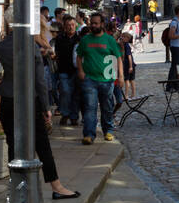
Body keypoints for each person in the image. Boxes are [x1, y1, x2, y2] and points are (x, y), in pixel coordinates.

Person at [0, 18, 79, 199]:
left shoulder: (1, 47)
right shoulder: (30, 47)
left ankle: (17, 187)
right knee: (42, 144)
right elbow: (39, 81)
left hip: (8, 99)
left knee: (13, 144)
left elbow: (2, 54)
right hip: (28, 100)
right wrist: (46, 107)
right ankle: (56, 186)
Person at [77, 11, 122, 145]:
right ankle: (89, 134)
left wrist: (120, 75)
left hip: (107, 79)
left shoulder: (109, 40)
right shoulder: (85, 40)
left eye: (96, 23)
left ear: (102, 24)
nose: (94, 26)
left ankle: (108, 130)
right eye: (92, 23)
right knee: (90, 107)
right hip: (89, 79)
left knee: (107, 107)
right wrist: (80, 70)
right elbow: (79, 56)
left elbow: (118, 57)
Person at [52, 15, 81, 126]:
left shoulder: (79, 39)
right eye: (68, 25)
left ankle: (74, 117)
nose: (70, 27)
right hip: (63, 69)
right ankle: (65, 114)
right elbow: (57, 53)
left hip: (76, 70)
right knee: (65, 92)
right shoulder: (60, 38)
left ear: (76, 26)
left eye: (73, 25)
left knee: (75, 94)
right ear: (64, 26)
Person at [118, 31, 137, 100]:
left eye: (122, 37)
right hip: (130, 65)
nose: (121, 38)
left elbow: (129, 56)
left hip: (128, 65)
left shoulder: (126, 45)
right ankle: (133, 94)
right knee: (131, 80)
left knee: (127, 80)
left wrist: (131, 66)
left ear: (127, 38)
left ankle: (126, 95)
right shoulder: (125, 45)